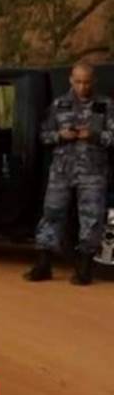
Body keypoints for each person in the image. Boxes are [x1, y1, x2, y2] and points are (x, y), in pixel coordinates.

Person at [26, 63, 114, 285]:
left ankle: (84, 268)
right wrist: (60, 135)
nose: (82, 86)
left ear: (93, 81)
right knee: (52, 214)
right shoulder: (59, 105)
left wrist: (94, 135)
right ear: (71, 80)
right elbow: (43, 136)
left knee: (91, 219)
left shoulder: (105, 105)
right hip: (62, 171)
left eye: (87, 82)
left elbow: (112, 137)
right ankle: (43, 264)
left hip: (93, 172)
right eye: (78, 81)